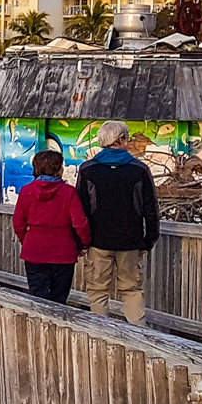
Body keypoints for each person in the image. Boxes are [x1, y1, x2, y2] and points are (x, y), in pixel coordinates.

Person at [76, 119, 160, 324]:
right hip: (131, 241)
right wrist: (148, 240)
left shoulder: (87, 169)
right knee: (131, 290)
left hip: (98, 241)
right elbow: (150, 209)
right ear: (122, 140)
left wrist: (82, 242)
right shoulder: (139, 169)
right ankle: (138, 335)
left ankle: (99, 335)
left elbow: (81, 209)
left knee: (97, 290)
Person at [13, 149, 91, 304]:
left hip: (35, 250)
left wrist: (26, 241)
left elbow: (18, 223)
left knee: (37, 298)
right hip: (63, 252)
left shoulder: (26, 191)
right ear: (59, 169)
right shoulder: (69, 193)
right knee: (59, 300)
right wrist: (84, 244)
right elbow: (80, 223)